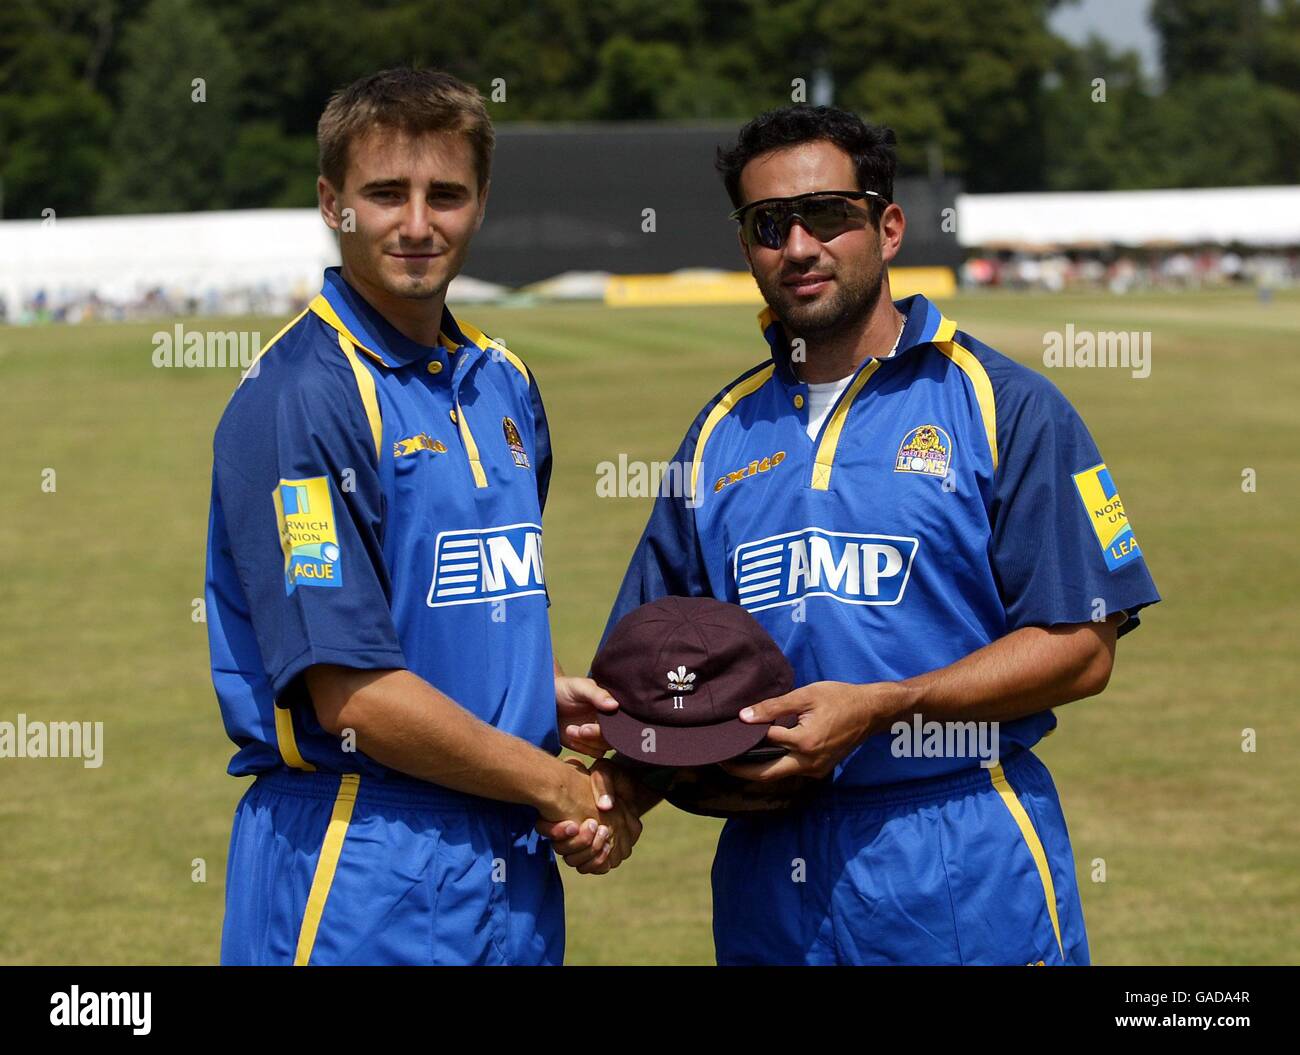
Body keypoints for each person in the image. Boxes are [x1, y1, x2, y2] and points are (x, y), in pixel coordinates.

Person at [600, 105, 1161, 965]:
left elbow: (1083, 647)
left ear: (888, 226)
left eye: (828, 214)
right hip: (769, 870)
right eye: (768, 224)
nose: (798, 246)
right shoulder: (717, 435)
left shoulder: (1003, 404)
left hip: (960, 850)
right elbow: (651, 672)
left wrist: (884, 707)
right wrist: (633, 780)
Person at [205, 67, 638, 967]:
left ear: (480, 203)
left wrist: (531, 685)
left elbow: (443, 601)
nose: (415, 223)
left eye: (444, 194)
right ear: (333, 203)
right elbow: (354, 695)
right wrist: (556, 784)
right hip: (360, 855)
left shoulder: (504, 382)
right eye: (384, 193)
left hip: (508, 862)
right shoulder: (301, 398)